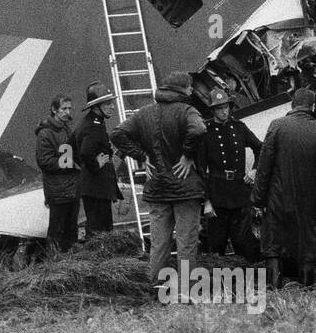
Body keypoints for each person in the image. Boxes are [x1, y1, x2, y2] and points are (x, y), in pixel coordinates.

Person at [110, 71, 207, 284]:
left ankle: (156, 288)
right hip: (185, 188)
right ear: (181, 89)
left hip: (157, 189)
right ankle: (185, 289)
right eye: (190, 87)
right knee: (186, 242)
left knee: (159, 243)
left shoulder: (143, 113)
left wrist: (141, 157)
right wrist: (187, 155)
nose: (192, 90)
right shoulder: (187, 111)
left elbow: (117, 134)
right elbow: (199, 129)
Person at [252, 87, 316, 286]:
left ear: (292, 105)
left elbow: (264, 167)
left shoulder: (277, 126)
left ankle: (274, 287)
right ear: (313, 106)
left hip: (278, 197)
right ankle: (306, 287)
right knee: (307, 244)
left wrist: (257, 199)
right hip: (310, 200)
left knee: (273, 244)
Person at [198, 87, 261, 262]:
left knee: (244, 242)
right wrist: (207, 201)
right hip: (217, 193)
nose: (224, 111)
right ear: (213, 110)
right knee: (216, 244)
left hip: (239, 192)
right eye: (219, 108)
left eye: (226, 107)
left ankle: (247, 280)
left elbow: (260, 148)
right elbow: (201, 170)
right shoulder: (206, 132)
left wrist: (255, 170)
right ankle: (218, 284)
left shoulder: (239, 127)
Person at [75, 82, 123, 243]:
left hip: (95, 187)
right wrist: (96, 165)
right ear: (97, 106)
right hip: (96, 187)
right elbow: (85, 152)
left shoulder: (92, 122)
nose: (112, 107)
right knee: (99, 229)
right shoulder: (93, 126)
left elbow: (71, 146)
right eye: (108, 104)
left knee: (99, 228)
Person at [35, 94, 81, 252]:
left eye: (69, 108)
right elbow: (45, 161)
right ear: (54, 110)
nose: (67, 112)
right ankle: (54, 265)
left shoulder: (66, 128)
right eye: (64, 109)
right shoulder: (45, 133)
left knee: (71, 231)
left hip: (71, 189)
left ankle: (70, 263)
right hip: (58, 190)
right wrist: (70, 163)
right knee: (56, 231)